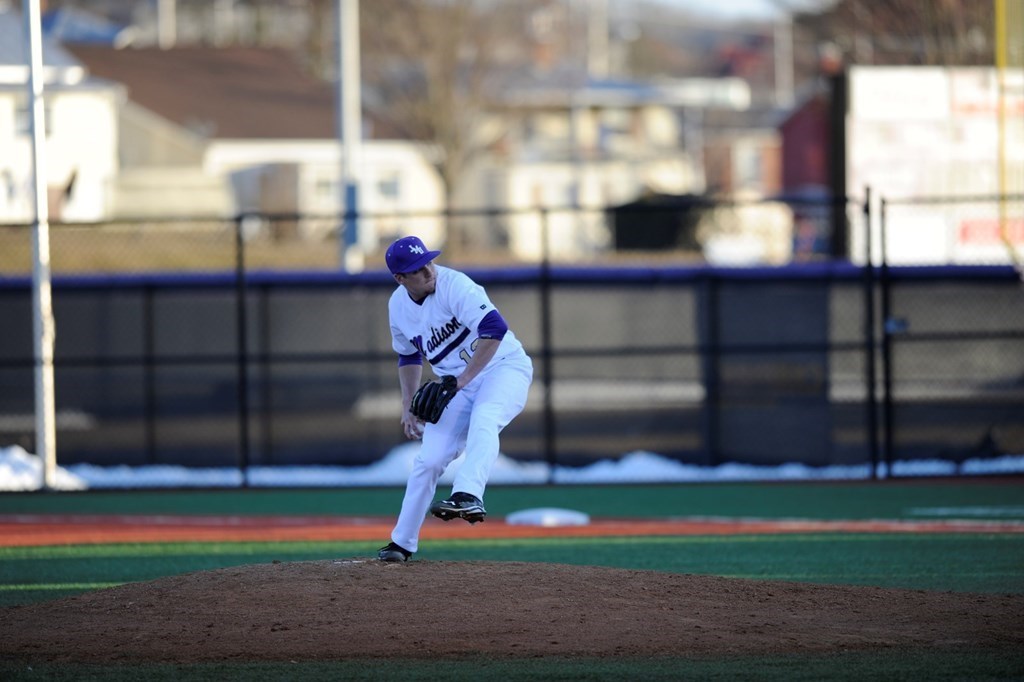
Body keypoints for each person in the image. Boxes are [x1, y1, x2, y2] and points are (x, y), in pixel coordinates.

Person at [377, 236, 533, 562]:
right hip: (458, 385)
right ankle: (401, 543)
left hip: (503, 368)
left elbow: (494, 328)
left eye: (428, 262)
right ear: (400, 278)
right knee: (429, 460)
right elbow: (407, 357)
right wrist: (407, 406)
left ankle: (468, 494)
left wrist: (461, 380)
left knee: (486, 417)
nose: (427, 270)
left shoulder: (454, 284)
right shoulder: (398, 307)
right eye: (417, 269)